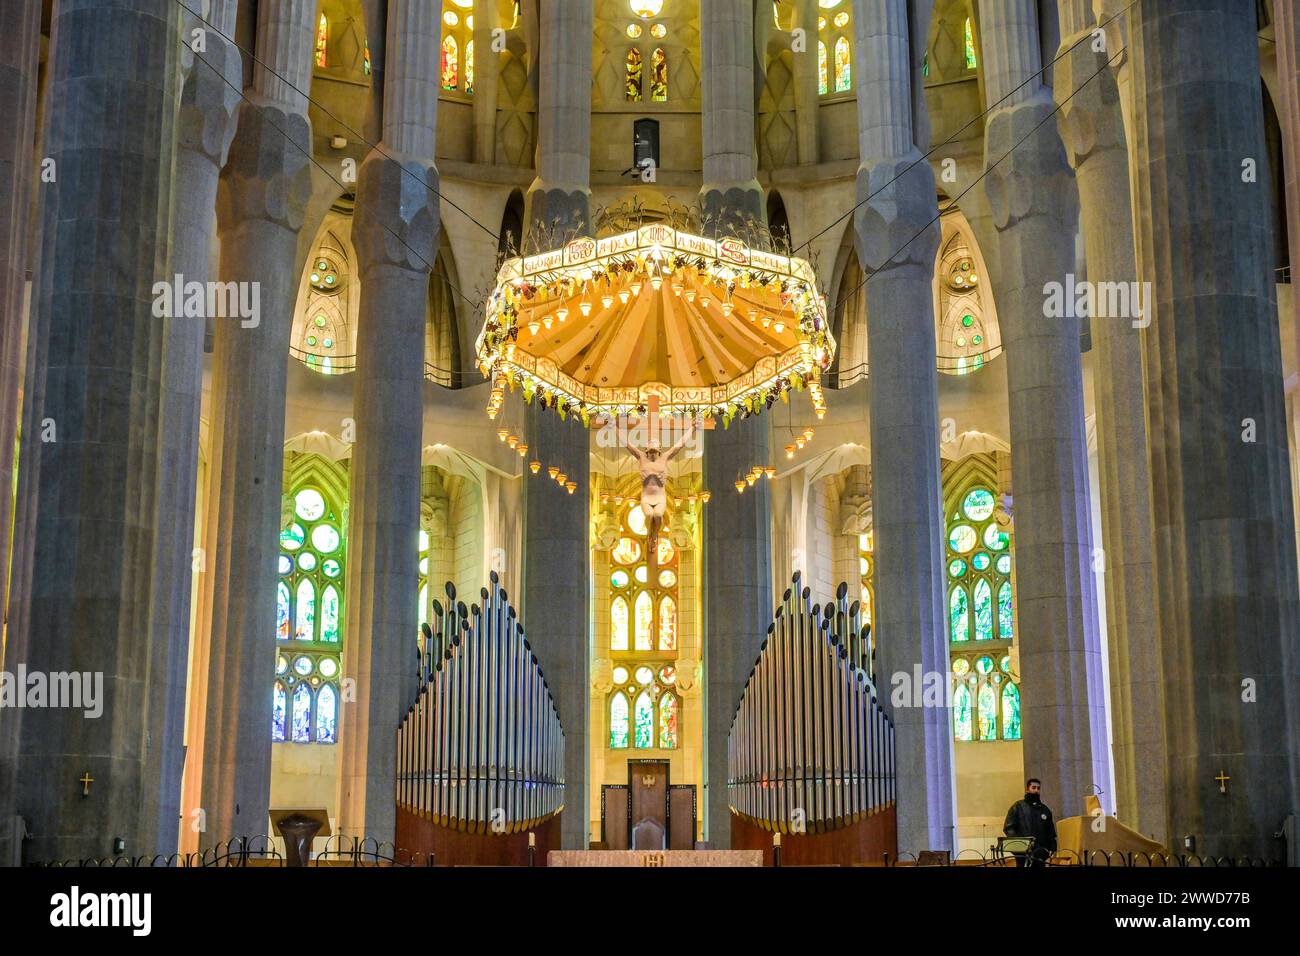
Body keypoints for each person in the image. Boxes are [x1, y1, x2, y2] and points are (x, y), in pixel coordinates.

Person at [626, 418, 696, 553]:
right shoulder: (641, 457)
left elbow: (679, 445)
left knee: (658, 515)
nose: (652, 443)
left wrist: (692, 429)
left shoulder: (665, 458)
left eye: (655, 442)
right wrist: (612, 427)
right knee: (649, 516)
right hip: (646, 497)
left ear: (659, 448)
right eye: (650, 442)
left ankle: (654, 536)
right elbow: (627, 444)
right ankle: (650, 535)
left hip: (660, 497)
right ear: (646, 448)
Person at [1003, 777, 1057, 867]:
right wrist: (1020, 845)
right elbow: (1009, 828)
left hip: (1041, 852)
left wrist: (1051, 847)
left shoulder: (1045, 810)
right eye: (1034, 787)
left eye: (1038, 788)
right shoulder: (1018, 807)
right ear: (1027, 789)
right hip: (1022, 852)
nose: (1036, 790)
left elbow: (1050, 832)